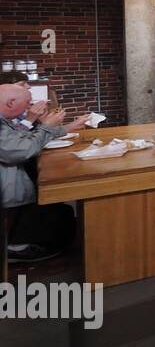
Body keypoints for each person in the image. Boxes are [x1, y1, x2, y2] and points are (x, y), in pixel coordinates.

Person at [0, 85, 91, 262]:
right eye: (28, 103)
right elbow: (21, 150)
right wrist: (45, 126)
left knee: (58, 210)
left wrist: (70, 126)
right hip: (8, 190)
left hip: (13, 185)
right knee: (55, 211)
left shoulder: (5, 120)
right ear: (10, 103)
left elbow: (18, 136)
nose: (29, 107)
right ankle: (18, 247)